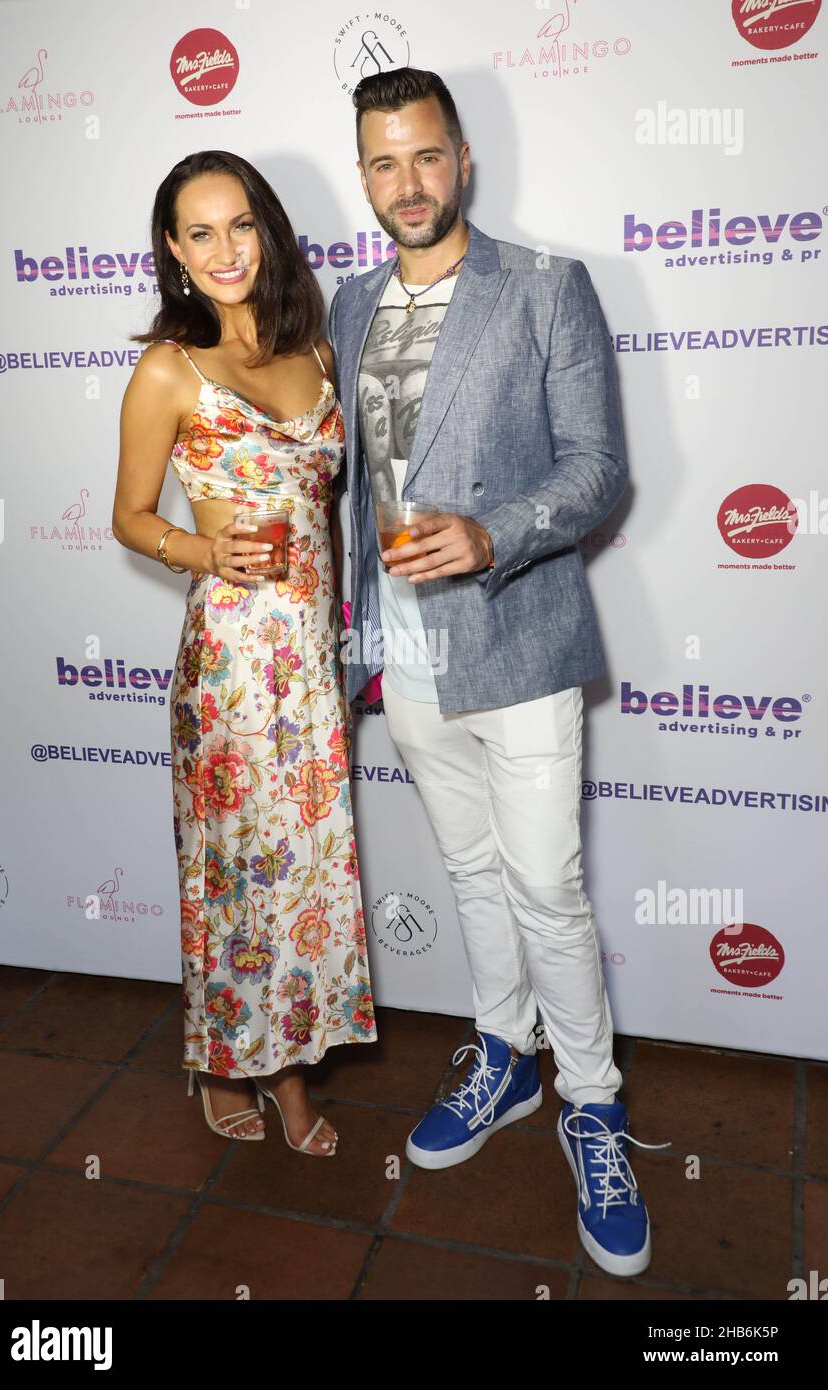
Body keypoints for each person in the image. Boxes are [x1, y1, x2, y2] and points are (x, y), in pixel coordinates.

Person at [328, 69, 669, 1272]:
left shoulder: (543, 287)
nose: (405, 184)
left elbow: (596, 469)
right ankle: (502, 1058)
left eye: (424, 157)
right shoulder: (350, 300)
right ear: (363, 173)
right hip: (403, 652)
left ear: (462, 161)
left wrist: (495, 532)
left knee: (546, 887)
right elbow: (342, 484)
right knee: (470, 868)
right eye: (381, 161)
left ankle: (593, 1102)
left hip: (517, 637)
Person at [112, 150, 377, 1158]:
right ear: (175, 252)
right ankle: (235, 1064)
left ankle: (287, 1063)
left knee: (308, 873)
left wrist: (348, 637)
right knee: (234, 872)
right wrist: (204, 548)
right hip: (228, 663)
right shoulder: (168, 369)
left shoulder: (313, 352)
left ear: (266, 232)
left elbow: (332, 516)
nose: (224, 250)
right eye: (199, 232)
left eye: (240, 226)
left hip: (309, 662)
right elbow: (131, 517)